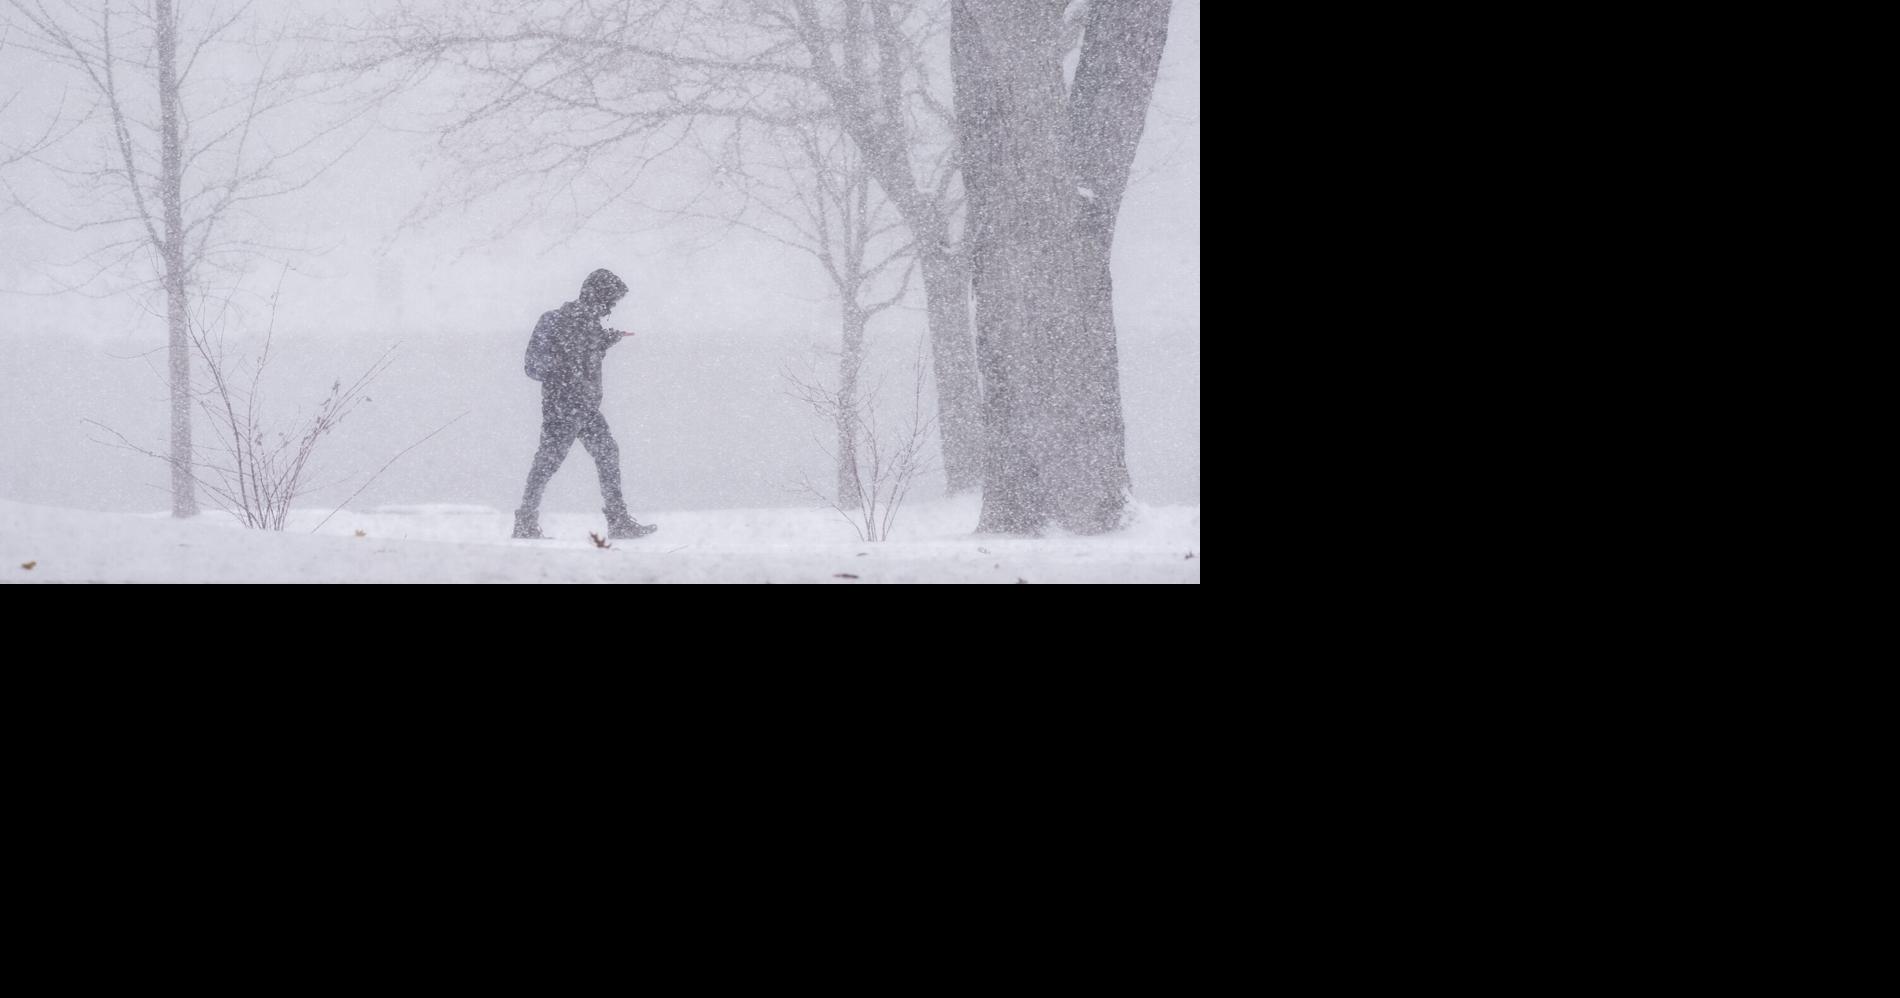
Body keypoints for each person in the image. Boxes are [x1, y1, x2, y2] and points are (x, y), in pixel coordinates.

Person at [512, 268, 658, 540]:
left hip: (587, 408)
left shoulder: (591, 327)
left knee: (607, 454)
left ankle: (618, 521)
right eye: (610, 302)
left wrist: (604, 341)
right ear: (597, 297)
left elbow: (583, 354)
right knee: (547, 462)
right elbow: (533, 367)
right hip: (562, 406)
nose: (611, 309)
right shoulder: (554, 320)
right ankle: (525, 522)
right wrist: (567, 365)